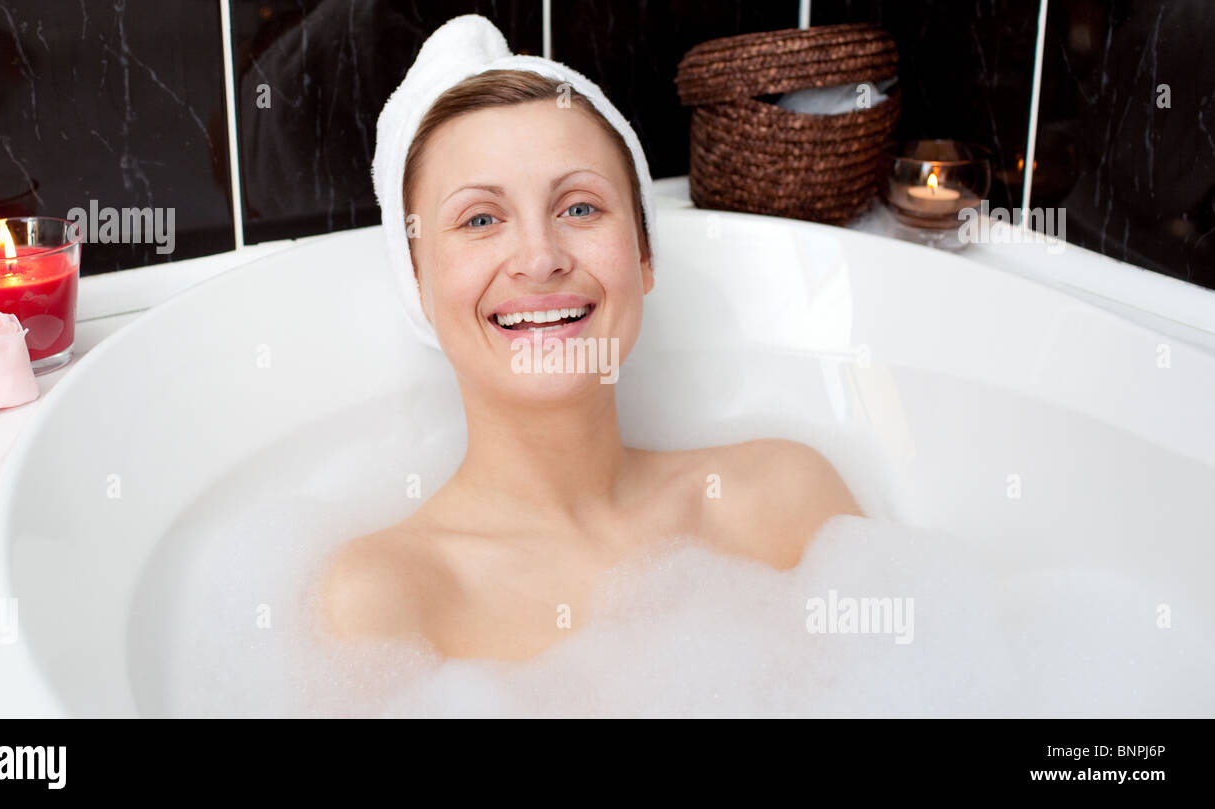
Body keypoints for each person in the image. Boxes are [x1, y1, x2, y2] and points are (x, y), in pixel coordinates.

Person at [320, 15, 863, 661]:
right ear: (419, 286)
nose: (539, 257)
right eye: (481, 218)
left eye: (579, 207)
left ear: (643, 255)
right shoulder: (387, 600)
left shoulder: (784, 495)